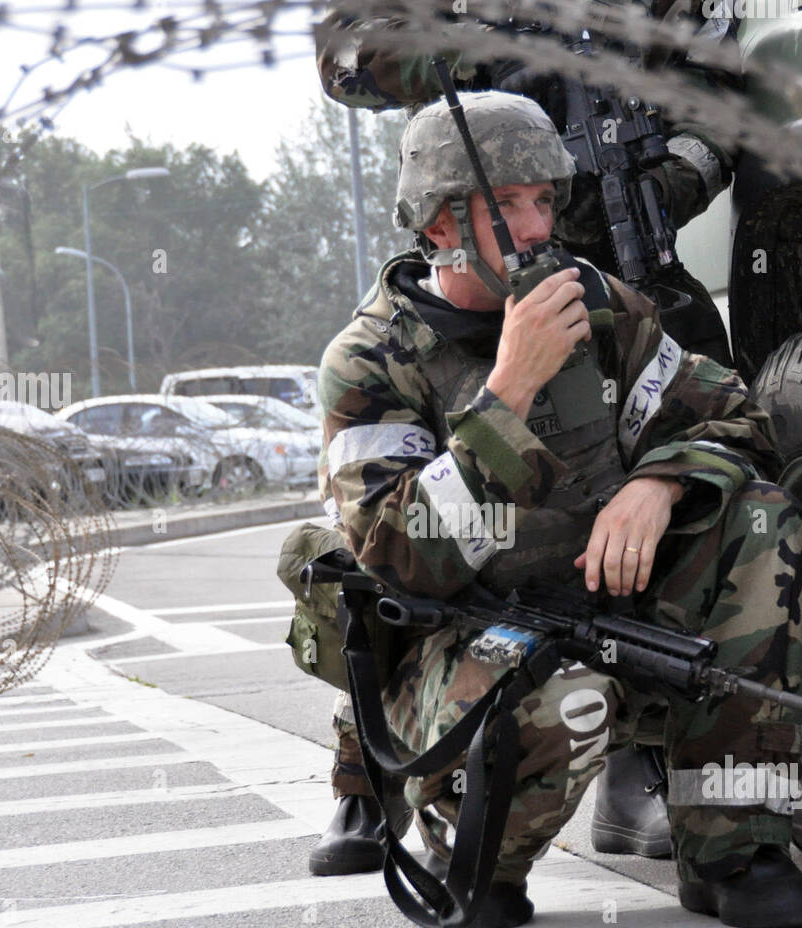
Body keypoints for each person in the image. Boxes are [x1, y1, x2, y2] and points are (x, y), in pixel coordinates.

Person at [317, 90, 802, 928]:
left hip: (613, 605)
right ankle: (470, 850)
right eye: (504, 206)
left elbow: (736, 415)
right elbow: (398, 557)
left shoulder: (591, 302)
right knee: (569, 700)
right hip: (465, 641)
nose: (535, 228)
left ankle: (737, 846)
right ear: (439, 225)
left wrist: (658, 481)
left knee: (769, 527)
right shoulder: (370, 360)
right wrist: (507, 391)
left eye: (544, 201)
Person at [309, 0, 741, 873]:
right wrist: (472, 54)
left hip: (617, 246)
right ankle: (371, 763)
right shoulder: (380, 346)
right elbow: (348, 51)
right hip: (475, 239)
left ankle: (650, 757)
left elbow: (719, 96)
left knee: (669, 481)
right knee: (418, 507)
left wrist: (665, 181)